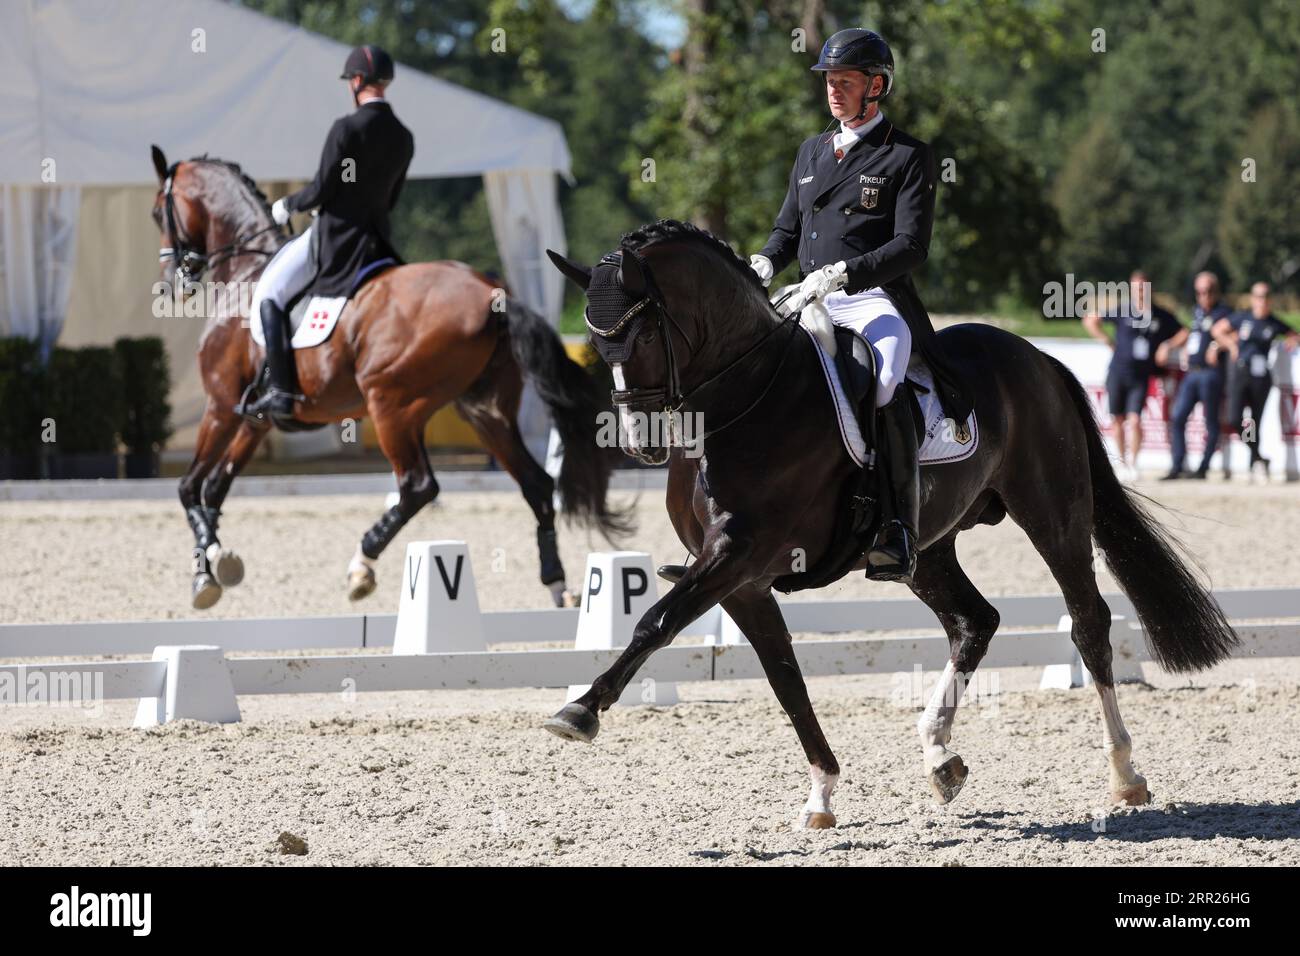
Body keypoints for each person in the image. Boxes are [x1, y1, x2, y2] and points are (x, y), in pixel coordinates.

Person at [749, 28, 954, 584]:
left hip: (871, 300)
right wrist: (766, 262)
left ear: (876, 86)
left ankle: (896, 526)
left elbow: (911, 246)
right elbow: (786, 229)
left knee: (885, 378)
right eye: (829, 83)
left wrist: (845, 273)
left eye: (845, 82)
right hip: (808, 297)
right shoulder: (812, 150)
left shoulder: (906, 155)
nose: (833, 92)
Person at [237, 44, 415, 421]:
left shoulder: (346, 128)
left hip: (335, 240)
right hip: (378, 242)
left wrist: (288, 205)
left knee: (270, 293)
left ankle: (282, 392)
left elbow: (322, 188)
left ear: (355, 81)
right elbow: (391, 197)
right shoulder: (403, 135)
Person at [1081, 270, 1182, 481]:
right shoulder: (1123, 310)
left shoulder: (1159, 314)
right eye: (1136, 288)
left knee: (1135, 420)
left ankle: (1134, 462)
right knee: (1117, 419)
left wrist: (1167, 345)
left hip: (1140, 375)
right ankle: (1121, 461)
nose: (1140, 292)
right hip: (1117, 372)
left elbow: (1184, 331)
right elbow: (1090, 320)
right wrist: (1107, 340)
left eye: (1143, 287)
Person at [1222, 281, 1299, 480]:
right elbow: (1218, 329)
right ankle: (1258, 457)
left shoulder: (1274, 322)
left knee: (1254, 420)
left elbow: (1293, 335)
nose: (1261, 300)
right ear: (1252, 298)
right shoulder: (1243, 317)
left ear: (1269, 299)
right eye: (1258, 296)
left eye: (1265, 296)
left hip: (1262, 376)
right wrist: (1231, 344)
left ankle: (1253, 463)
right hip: (1241, 371)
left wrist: (1290, 341)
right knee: (1234, 417)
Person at [1161, 271, 1234, 480]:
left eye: (1208, 291)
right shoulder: (1197, 312)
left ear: (1216, 291)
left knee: (1210, 421)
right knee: (1178, 417)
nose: (1204, 295)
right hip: (1191, 372)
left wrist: (1218, 345)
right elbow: (1190, 333)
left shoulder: (1224, 312)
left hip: (1211, 373)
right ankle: (1178, 464)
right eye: (1200, 292)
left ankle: (1203, 467)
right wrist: (1174, 346)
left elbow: (1237, 332)